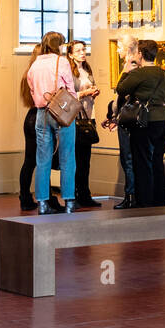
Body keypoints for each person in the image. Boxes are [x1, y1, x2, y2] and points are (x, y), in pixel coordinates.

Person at [114, 39, 165, 208]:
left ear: (141, 54)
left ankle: (144, 202)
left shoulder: (139, 73)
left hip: (145, 121)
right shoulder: (161, 73)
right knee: (157, 161)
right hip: (163, 120)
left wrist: (126, 71)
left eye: (137, 53)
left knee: (142, 162)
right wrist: (163, 101)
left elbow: (121, 89)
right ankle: (159, 201)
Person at [24, 31, 78, 214]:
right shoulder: (61, 62)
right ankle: (69, 201)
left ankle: (42, 204)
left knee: (42, 160)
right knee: (67, 157)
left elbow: (32, 90)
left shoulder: (34, 65)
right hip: (61, 112)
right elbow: (70, 88)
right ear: (59, 46)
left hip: (42, 113)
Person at [103, 36, 140, 209]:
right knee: (130, 158)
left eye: (120, 46)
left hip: (129, 119)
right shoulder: (132, 65)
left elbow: (121, 94)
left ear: (129, 48)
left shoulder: (131, 67)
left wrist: (114, 114)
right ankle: (132, 195)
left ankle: (131, 196)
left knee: (128, 158)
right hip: (126, 117)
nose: (117, 50)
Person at [68, 40, 101, 209]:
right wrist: (84, 93)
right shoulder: (69, 71)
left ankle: (85, 194)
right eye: (78, 50)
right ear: (70, 54)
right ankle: (72, 195)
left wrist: (94, 92)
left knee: (85, 160)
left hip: (88, 116)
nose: (82, 53)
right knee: (75, 159)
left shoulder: (87, 69)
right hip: (75, 117)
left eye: (84, 49)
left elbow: (90, 87)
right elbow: (67, 94)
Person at [17, 43, 39, 210]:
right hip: (39, 116)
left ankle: (24, 196)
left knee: (29, 161)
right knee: (43, 161)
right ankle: (45, 197)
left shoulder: (27, 74)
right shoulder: (37, 74)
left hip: (30, 116)